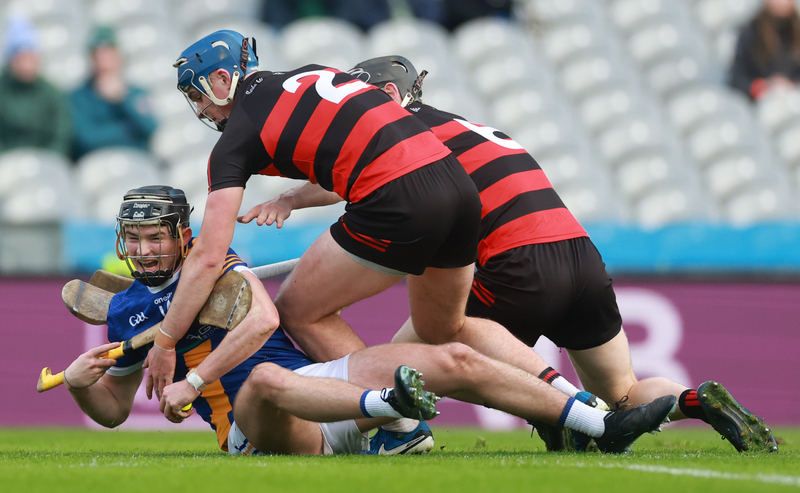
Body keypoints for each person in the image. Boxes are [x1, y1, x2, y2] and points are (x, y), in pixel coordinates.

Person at [341, 55, 777, 454]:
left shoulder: (401, 133)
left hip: (518, 260)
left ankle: (558, 410)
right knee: (623, 393)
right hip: (580, 256)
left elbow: (356, 178)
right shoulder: (460, 126)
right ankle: (695, 399)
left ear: (386, 95)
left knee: (405, 359)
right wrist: (293, 199)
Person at [148, 29, 586, 419]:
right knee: (446, 328)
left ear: (223, 80)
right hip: (459, 188)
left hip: (399, 199)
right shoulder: (315, 74)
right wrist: (290, 198)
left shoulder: (236, 137)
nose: (201, 108)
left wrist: (165, 343)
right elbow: (375, 150)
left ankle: (394, 422)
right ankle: (575, 405)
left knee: (299, 312)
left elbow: (208, 256)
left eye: (197, 94)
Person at [61, 184, 678, 455]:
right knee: (267, 384)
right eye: (134, 240)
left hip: (328, 385)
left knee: (452, 359)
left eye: (154, 238)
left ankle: (597, 424)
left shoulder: (221, 266)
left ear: (181, 235)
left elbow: (261, 323)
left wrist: (191, 381)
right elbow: (114, 412)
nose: (143, 251)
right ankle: (391, 414)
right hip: (258, 432)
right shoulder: (124, 309)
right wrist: (85, 385)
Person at [69, 26, 157, 161]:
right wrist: (129, 132)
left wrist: (123, 99)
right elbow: (86, 139)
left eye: (109, 56)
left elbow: (150, 128)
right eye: (99, 57)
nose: (104, 64)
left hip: (137, 161)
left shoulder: (136, 93)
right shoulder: (78, 97)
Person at [0, 16, 71, 157]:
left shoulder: (51, 93)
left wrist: (48, 158)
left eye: (30, 57)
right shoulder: (3, 89)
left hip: (43, 161)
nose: (26, 64)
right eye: (21, 58)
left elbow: (60, 135)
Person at [729, 0, 800, 100]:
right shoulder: (751, 32)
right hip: (759, 104)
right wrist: (760, 86)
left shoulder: (797, 31)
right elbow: (737, 77)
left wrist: (791, 85)